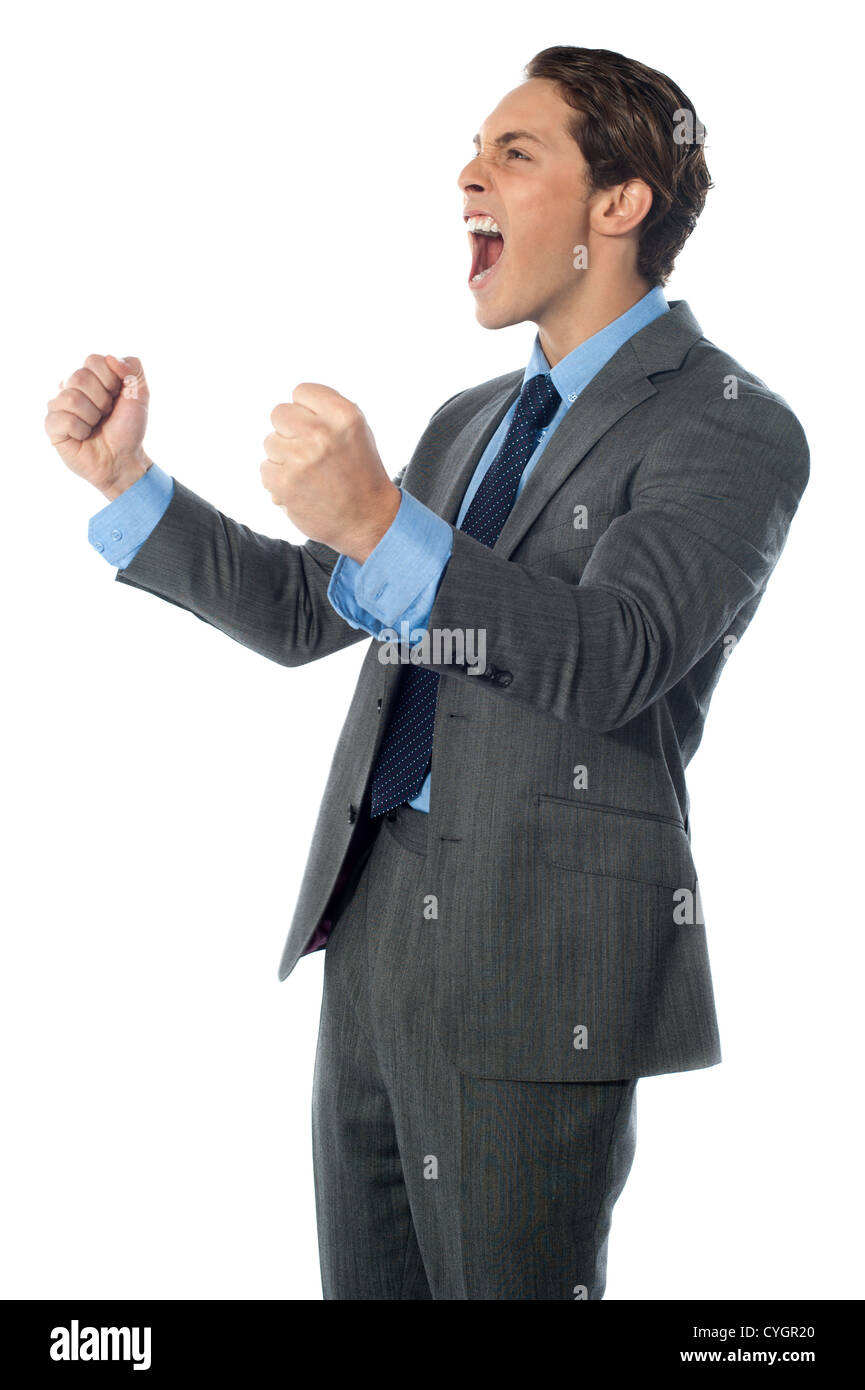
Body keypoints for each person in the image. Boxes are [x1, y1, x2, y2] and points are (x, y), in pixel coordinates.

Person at [44, 45, 809, 1300]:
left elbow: (609, 656)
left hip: (535, 955)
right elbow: (309, 609)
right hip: (376, 920)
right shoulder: (472, 419)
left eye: (515, 153)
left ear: (618, 205)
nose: (468, 174)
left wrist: (383, 523)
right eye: (475, 148)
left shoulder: (729, 421)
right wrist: (130, 486)